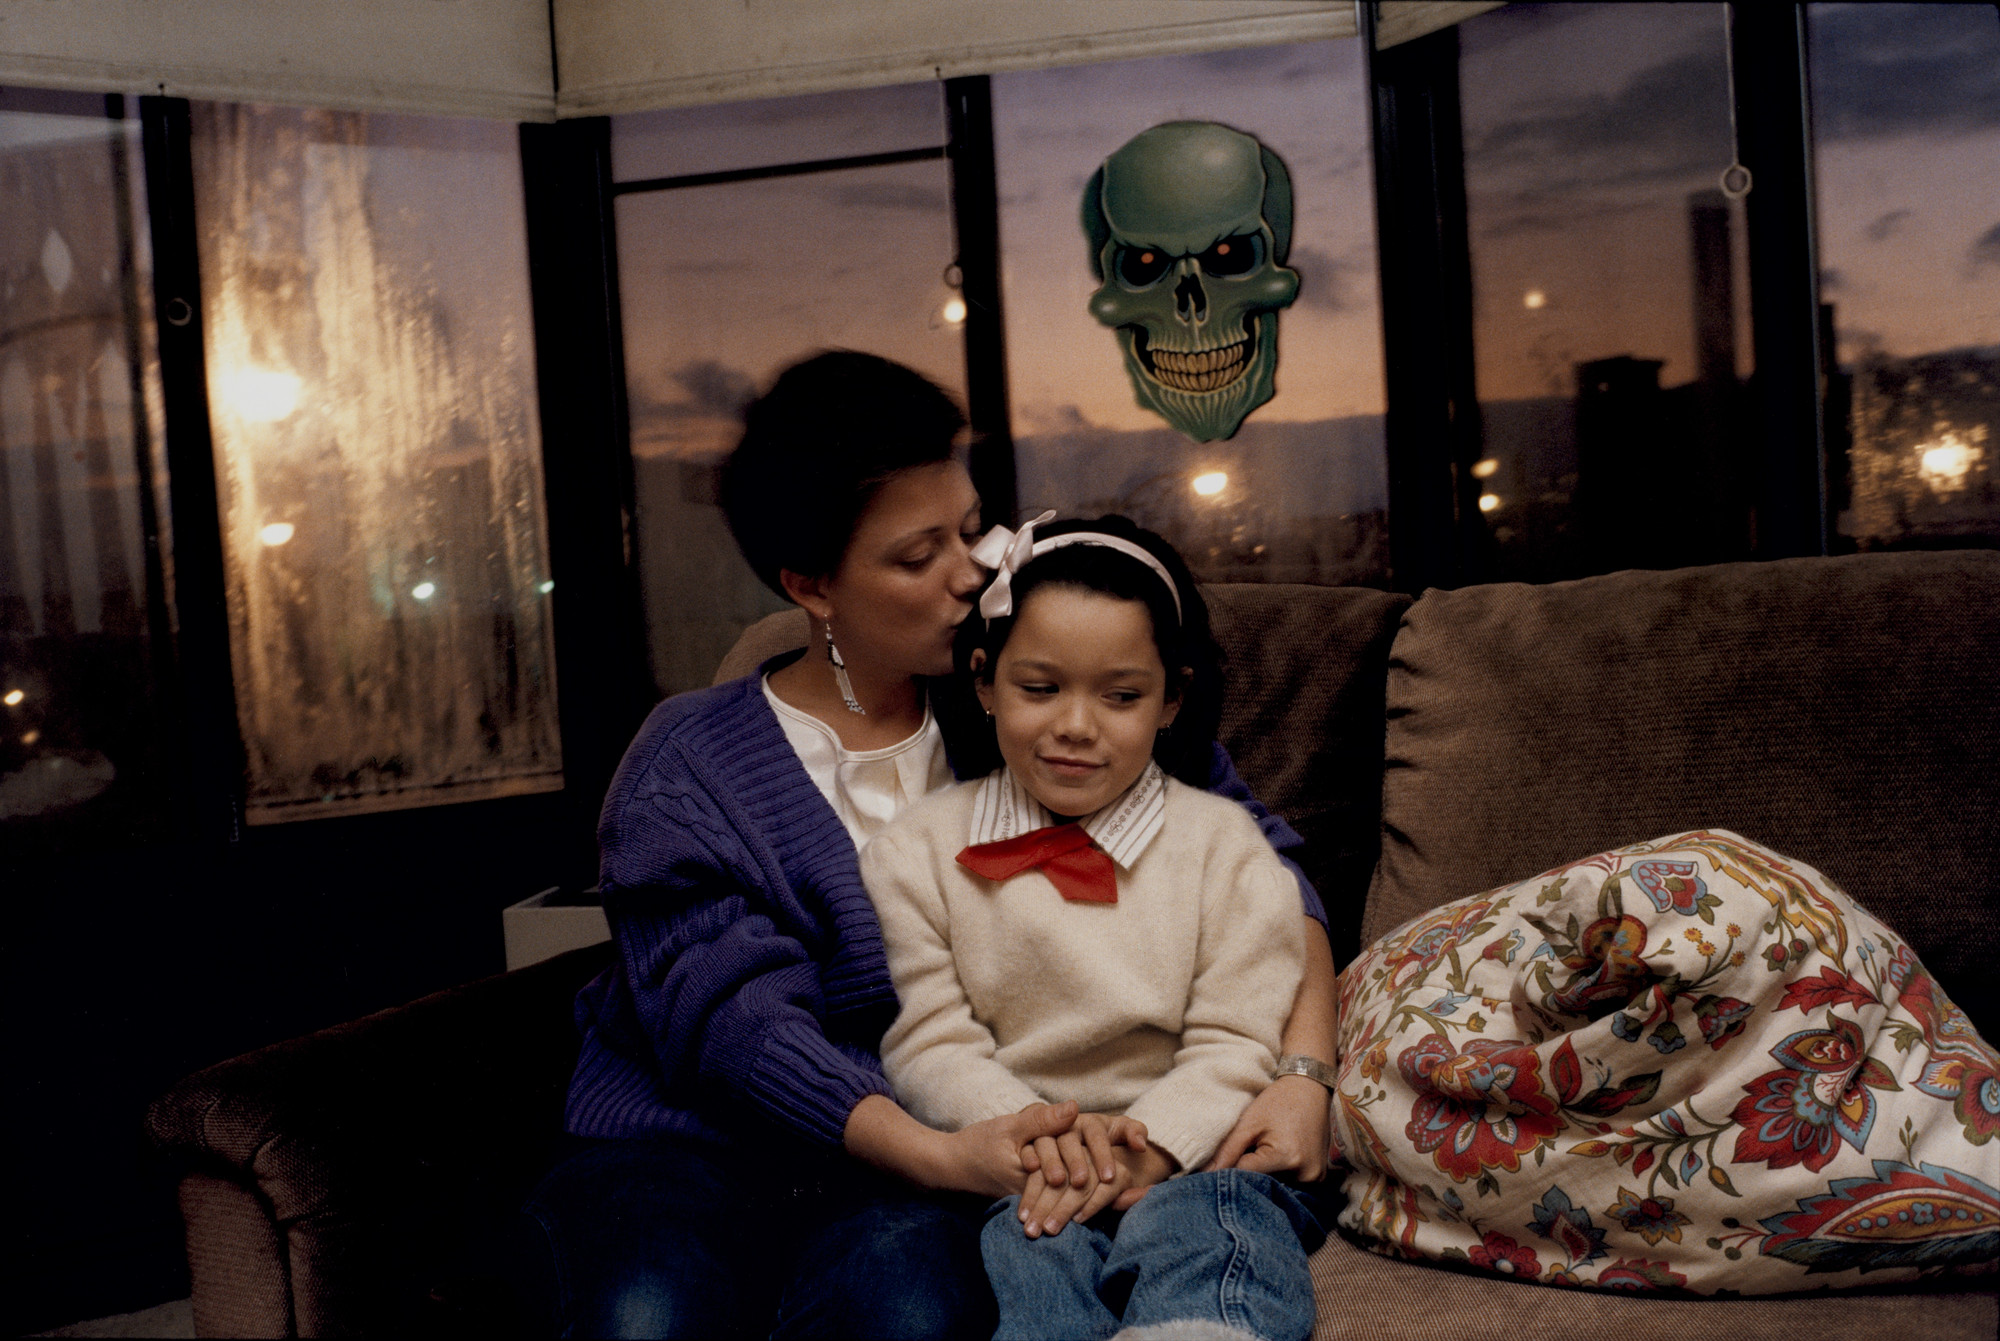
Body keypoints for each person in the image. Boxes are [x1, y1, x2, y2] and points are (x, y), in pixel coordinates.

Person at [518, 351, 1339, 1340]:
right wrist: (946, 1155)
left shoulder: (1036, 697)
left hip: (918, 1168)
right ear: (811, 585)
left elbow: (1264, 875)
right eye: (916, 558)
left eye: (969, 529)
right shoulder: (686, 767)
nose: (969, 575)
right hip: (688, 1149)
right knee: (647, 1318)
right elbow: (739, 1031)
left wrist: (1303, 1077)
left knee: (908, 1312)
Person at [862, 514, 1325, 1341]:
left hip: (1201, 1151)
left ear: (1171, 698)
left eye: (1120, 696)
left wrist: (1165, 1141)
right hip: (1032, 1164)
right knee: (1028, 1249)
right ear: (983, 680)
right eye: (1041, 688)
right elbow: (928, 1035)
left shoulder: (1215, 840)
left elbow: (1242, 1024)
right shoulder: (924, 846)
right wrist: (1045, 1143)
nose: (1077, 724)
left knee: (1211, 1226)